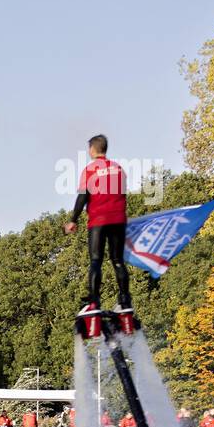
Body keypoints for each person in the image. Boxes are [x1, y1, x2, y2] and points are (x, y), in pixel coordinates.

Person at [65, 134, 132, 317]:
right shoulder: (119, 169)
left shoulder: (90, 170)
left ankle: (94, 301)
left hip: (98, 221)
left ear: (93, 149)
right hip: (118, 220)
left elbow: (83, 197)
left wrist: (73, 219)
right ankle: (125, 300)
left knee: (96, 261)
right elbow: (123, 194)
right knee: (117, 260)